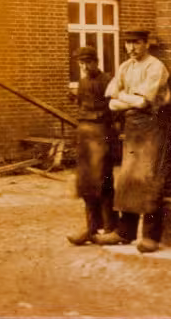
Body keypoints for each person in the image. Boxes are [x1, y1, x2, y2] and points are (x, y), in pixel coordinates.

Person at [96, 30, 171, 253]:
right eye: (128, 44)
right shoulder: (125, 66)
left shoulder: (155, 67)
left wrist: (124, 99)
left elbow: (143, 103)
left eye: (136, 43)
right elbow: (111, 101)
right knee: (128, 177)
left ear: (146, 44)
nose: (131, 48)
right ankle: (124, 232)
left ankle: (151, 236)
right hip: (132, 128)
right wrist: (129, 100)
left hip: (152, 127)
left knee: (149, 178)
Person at [66, 46, 116, 245]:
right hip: (86, 135)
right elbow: (82, 106)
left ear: (96, 61)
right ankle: (91, 228)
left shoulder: (108, 82)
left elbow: (114, 111)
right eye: (81, 63)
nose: (85, 66)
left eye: (88, 62)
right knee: (86, 184)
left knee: (103, 182)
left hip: (102, 135)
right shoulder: (83, 82)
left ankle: (110, 228)